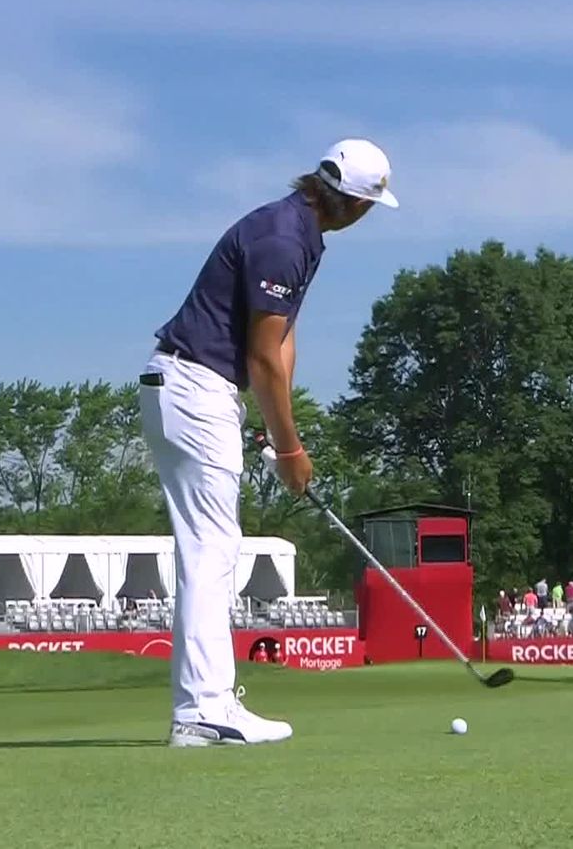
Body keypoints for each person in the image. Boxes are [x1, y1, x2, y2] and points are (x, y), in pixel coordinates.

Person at [140, 138, 398, 748]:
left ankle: (204, 704)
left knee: (211, 546)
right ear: (354, 202)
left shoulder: (296, 233)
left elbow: (280, 348)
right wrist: (289, 449)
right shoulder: (285, 241)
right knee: (211, 550)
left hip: (197, 388)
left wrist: (272, 418)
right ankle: (204, 710)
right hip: (195, 385)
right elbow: (262, 355)